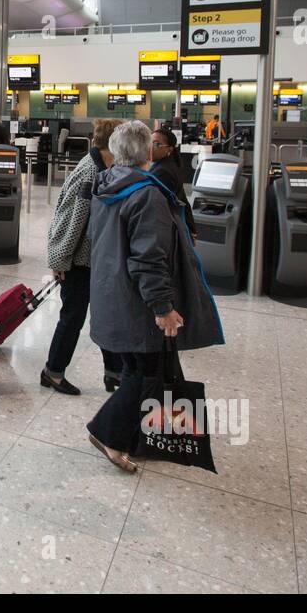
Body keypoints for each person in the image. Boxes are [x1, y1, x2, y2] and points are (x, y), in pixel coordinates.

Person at [85, 121, 225, 473]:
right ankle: (108, 434)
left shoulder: (105, 185)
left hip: (111, 293)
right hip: (136, 304)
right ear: (149, 152)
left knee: (136, 367)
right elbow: (148, 258)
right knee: (144, 372)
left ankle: (131, 433)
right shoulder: (145, 195)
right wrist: (162, 307)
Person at [41, 118, 122, 395]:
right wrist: (59, 260)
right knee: (73, 317)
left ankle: (114, 372)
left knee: (106, 316)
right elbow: (71, 219)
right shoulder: (90, 172)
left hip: (92, 261)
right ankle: (52, 371)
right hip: (78, 262)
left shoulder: (103, 167)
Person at [150, 127, 197, 238]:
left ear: (169, 150)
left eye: (156, 145)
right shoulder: (169, 165)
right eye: (149, 143)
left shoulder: (162, 172)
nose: (151, 148)